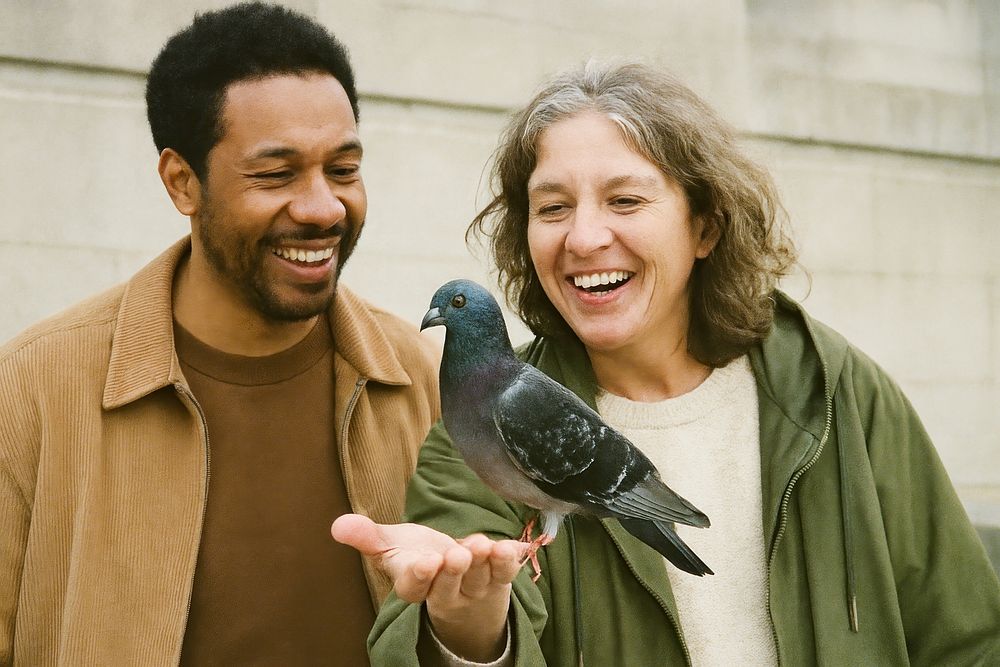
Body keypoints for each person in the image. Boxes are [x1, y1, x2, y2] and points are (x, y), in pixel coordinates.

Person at [334, 60, 1000, 665]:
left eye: (625, 200)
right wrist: (464, 624)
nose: (586, 237)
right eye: (553, 207)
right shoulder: (467, 434)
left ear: (704, 227)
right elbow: (436, 623)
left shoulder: (839, 397)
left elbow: (969, 641)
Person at [0, 3, 439, 665]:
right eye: (275, 174)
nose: (323, 206)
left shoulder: (419, 378)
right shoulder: (31, 388)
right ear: (183, 183)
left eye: (343, 169)